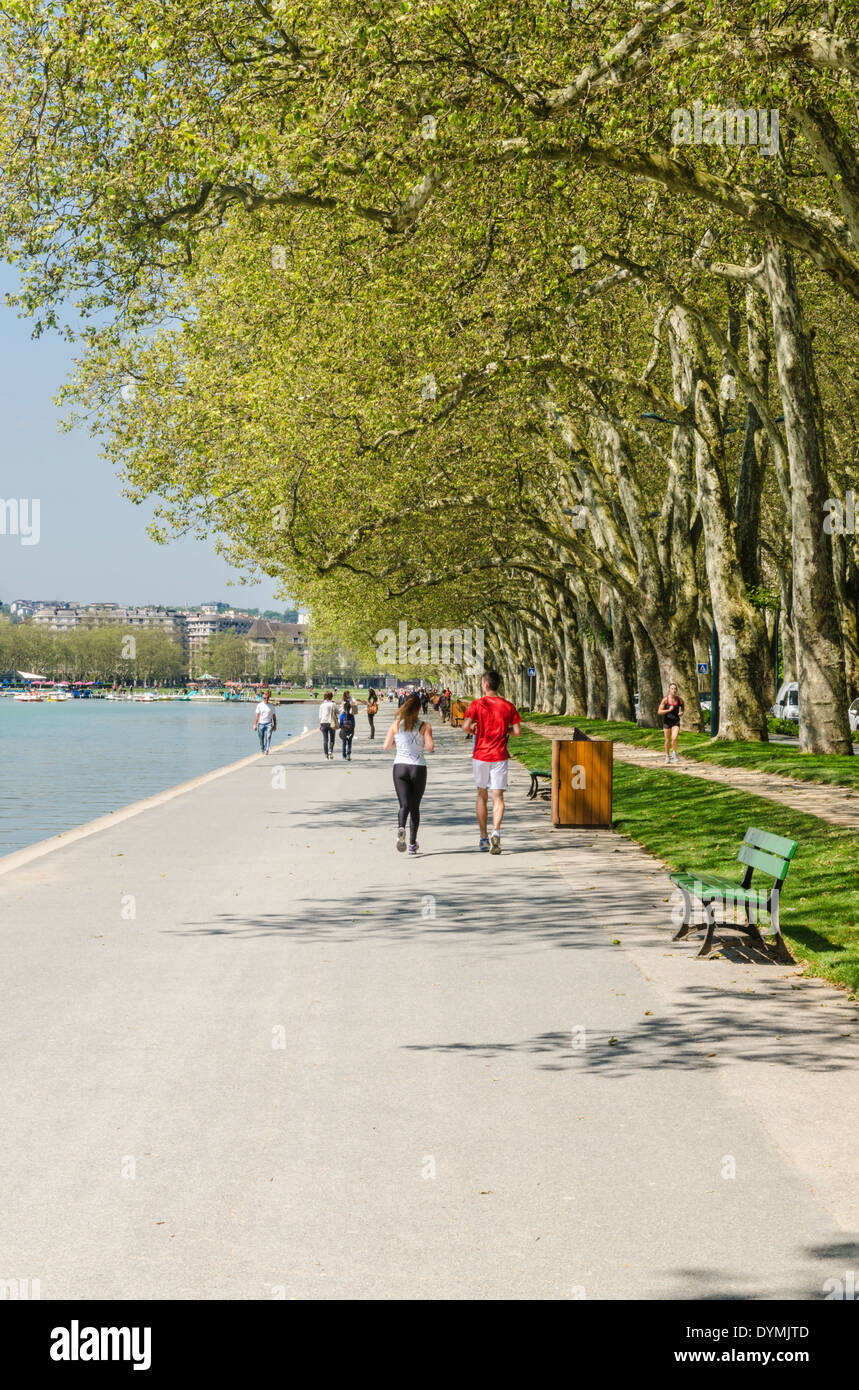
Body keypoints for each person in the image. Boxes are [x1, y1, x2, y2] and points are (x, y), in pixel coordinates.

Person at [462, 670, 522, 854]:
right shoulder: (508, 706)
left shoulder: (477, 704)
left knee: (482, 795)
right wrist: (504, 731)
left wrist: (475, 731)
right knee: (498, 797)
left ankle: (483, 837)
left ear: (486, 685)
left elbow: (465, 727)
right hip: (500, 756)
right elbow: (518, 732)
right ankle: (496, 831)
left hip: (481, 755)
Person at [383, 692, 434, 855]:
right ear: (420, 707)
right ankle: (412, 844)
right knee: (415, 806)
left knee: (403, 805)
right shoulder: (424, 725)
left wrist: (398, 746)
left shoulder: (396, 725)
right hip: (418, 767)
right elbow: (430, 747)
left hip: (400, 767)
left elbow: (386, 746)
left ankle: (400, 829)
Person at [658, 682, 684, 763]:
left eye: (675, 689)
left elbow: (683, 706)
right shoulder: (665, 700)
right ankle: (667, 756)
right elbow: (659, 711)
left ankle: (674, 753)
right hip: (667, 722)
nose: (674, 690)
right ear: (669, 690)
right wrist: (668, 710)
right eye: (672, 689)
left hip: (675, 722)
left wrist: (681, 712)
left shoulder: (679, 700)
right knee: (667, 740)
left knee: (675, 738)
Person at [253, 689, 277, 755]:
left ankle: (266, 749)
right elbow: (257, 716)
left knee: (268, 736)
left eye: (267, 698)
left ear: (269, 698)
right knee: (261, 738)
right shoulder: (259, 705)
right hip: (260, 724)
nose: (266, 699)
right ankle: (262, 748)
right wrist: (255, 724)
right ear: (262, 698)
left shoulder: (271, 706)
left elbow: (274, 717)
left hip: (269, 723)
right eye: (264, 698)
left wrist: (275, 725)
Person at [318, 689, 338, 760]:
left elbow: (320, 716)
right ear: (331, 697)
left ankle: (326, 755)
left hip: (323, 723)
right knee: (332, 739)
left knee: (325, 740)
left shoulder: (322, 705)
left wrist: (320, 725)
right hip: (331, 723)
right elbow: (337, 712)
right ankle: (330, 751)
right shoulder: (333, 704)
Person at [339, 694, 356, 760]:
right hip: (350, 731)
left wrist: (341, 728)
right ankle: (348, 754)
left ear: (344, 707)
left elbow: (340, 724)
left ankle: (344, 756)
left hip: (344, 731)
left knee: (344, 743)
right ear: (350, 708)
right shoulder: (352, 716)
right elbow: (354, 724)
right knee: (349, 742)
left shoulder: (342, 715)